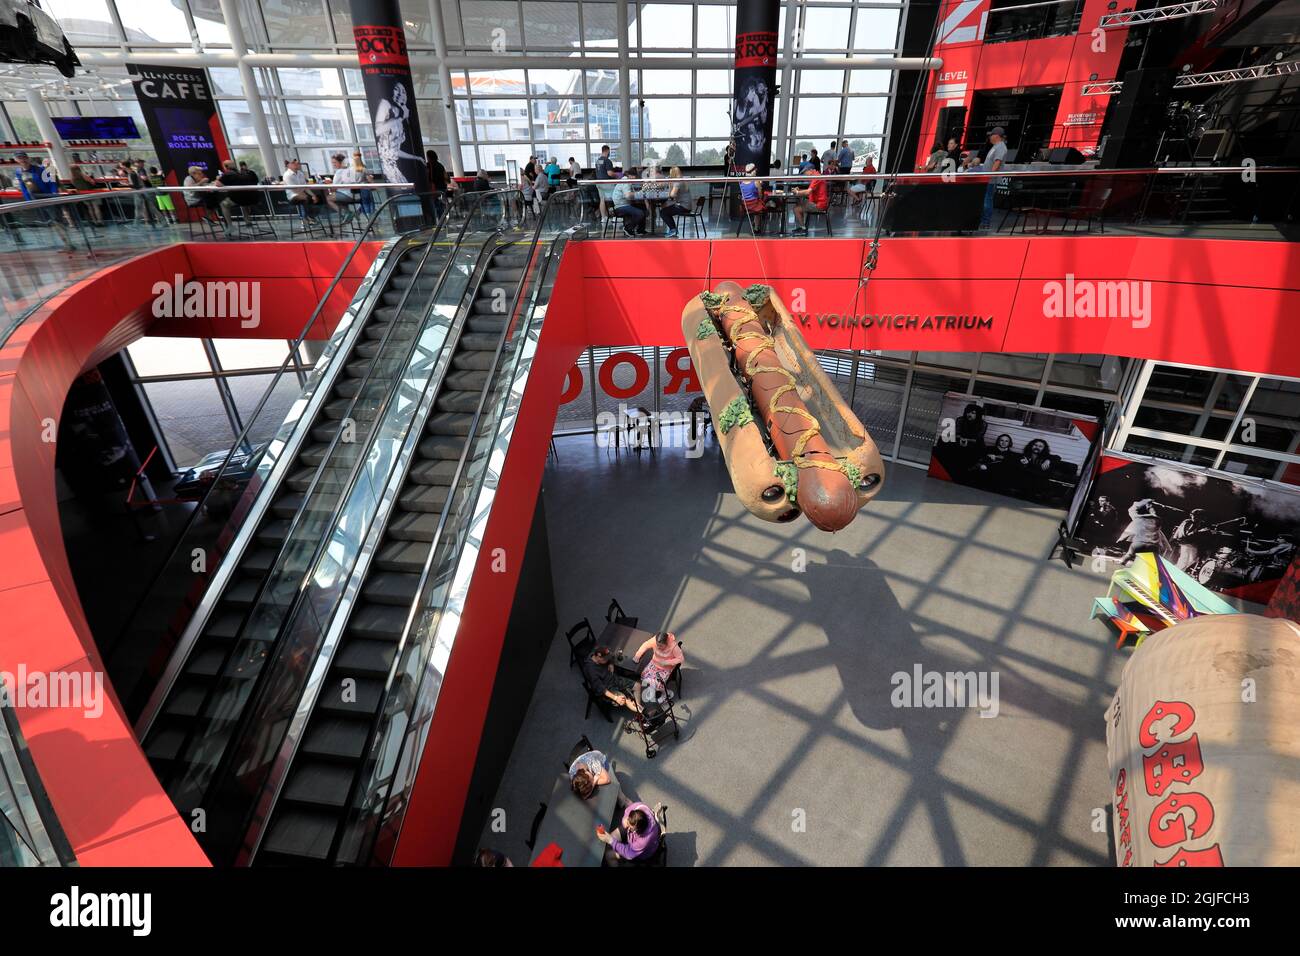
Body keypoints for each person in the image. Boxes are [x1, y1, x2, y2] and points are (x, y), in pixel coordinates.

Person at [10, 151, 76, 250]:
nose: (22, 160)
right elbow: (23, 187)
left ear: (27, 158)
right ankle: (66, 242)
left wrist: (53, 195)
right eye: (19, 158)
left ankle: (68, 243)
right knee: (53, 221)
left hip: (47, 198)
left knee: (56, 219)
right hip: (36, 199)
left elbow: (51, 183)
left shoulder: (40, 170)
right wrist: (29, 201)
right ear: (16, 160)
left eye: (23, 157)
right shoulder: (19, 172)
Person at [581, 645, 641, 715]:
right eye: (605, 660)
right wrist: (616, 698)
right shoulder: (591, 670)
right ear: (598, 657)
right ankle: (641, 713)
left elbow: (611, 657)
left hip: (614, 678)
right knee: (623, 699)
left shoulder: (599, 652)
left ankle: (638, 709)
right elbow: (601, 689)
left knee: (637, 685)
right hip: (607, 688)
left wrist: (611, 663)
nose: (607, 660)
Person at [596, 802, 661, 864]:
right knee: (611, 841)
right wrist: (625, 819)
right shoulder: (639, 807)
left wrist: (610, 840)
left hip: (639, 854)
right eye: (628, 822)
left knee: (609, 855)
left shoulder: (644, 840)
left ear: (638, 830)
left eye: (631, 828)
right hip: (631, 838)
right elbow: (627, 812)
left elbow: (629, 853)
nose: (628, 827)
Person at [633, 631, 684, 698]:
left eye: (661, 646)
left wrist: (666, 662)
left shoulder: (673, 646)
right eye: (657, 645)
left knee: (658, 684)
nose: (658, 647)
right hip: (654, 663)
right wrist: (637, 656)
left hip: (666, 668)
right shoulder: (655, 640)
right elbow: (645, 645)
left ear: (666, 643)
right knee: (643, 677)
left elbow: (681, 659)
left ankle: (666, 693)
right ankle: (655, 689)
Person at [978, 126, 1008, 230]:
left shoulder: (1000, 147)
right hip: (987, 179)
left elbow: (997, 162)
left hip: (990, 180)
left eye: (991, 135)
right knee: (985, 200)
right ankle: (983, 221)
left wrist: (989, 175)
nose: (990, 137)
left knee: (987, 200)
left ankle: (985, 222)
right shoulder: (996, 146)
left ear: (996, 136)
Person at [790, 162, 830, 235]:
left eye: (805, 172)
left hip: (819, 205)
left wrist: (797, 192)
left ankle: (803, 229)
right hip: (819, 202)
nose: (805, 175)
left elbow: (808, 192)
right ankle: (802, 227)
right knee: (800, 204)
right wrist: (799, 190)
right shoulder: (817, 176)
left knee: (796, 209)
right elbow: (810, 191)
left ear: (810, 170)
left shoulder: (816, 178)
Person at [327, 151, 362, 222]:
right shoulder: (350, 169)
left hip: (348, 195)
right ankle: (349, 215)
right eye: (332, 163)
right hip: (357, 195)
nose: (333, 165)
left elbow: (334, 188)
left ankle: (345, 213)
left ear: (340, 162)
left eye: (335, 163)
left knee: (328, 198)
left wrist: (329, 184)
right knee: (338, 199)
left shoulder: (339, 172)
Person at [660, 166, 692, 238]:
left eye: (670, 174)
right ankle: (673, 229)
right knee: (665, 208)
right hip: (686, 205)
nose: (669, 176)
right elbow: (673, 198)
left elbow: (672, 195)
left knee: (663, 212)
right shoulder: (681, 179)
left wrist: (669, 184)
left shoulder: (677, 181)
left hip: (684, 206)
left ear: (673, 174)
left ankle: (673, 230)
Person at [610, 171, 644, 237]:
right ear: (631, 176)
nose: (635, 179)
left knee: (642, 207)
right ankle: (628, 228)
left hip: (622, 204)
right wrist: (639, 193)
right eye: (635, 177)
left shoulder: (626, 181)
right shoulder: (626, 181)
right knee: (640, 213)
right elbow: (627, 195)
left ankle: (640, 230)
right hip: (620, 206)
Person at [128, 158, 159, 227]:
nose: (143, 164)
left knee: (149, 207)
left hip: (145, 190)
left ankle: (140, 223)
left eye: (142, 162)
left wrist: (142, 177)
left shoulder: (139, 170)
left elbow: (144, 178)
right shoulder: (137, 170)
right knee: (144, 207)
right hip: (143, 190)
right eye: (141, 162)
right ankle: (145, 222)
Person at [595, 144, 615, 217]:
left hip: (599, 183)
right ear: (607, 151)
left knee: (602, 200)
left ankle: (604, 218)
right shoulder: (607, 160)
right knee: (614, 198)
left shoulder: (598, 161)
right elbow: (609, 173)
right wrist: (617, 175)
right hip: (607, 183)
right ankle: (613, 216)